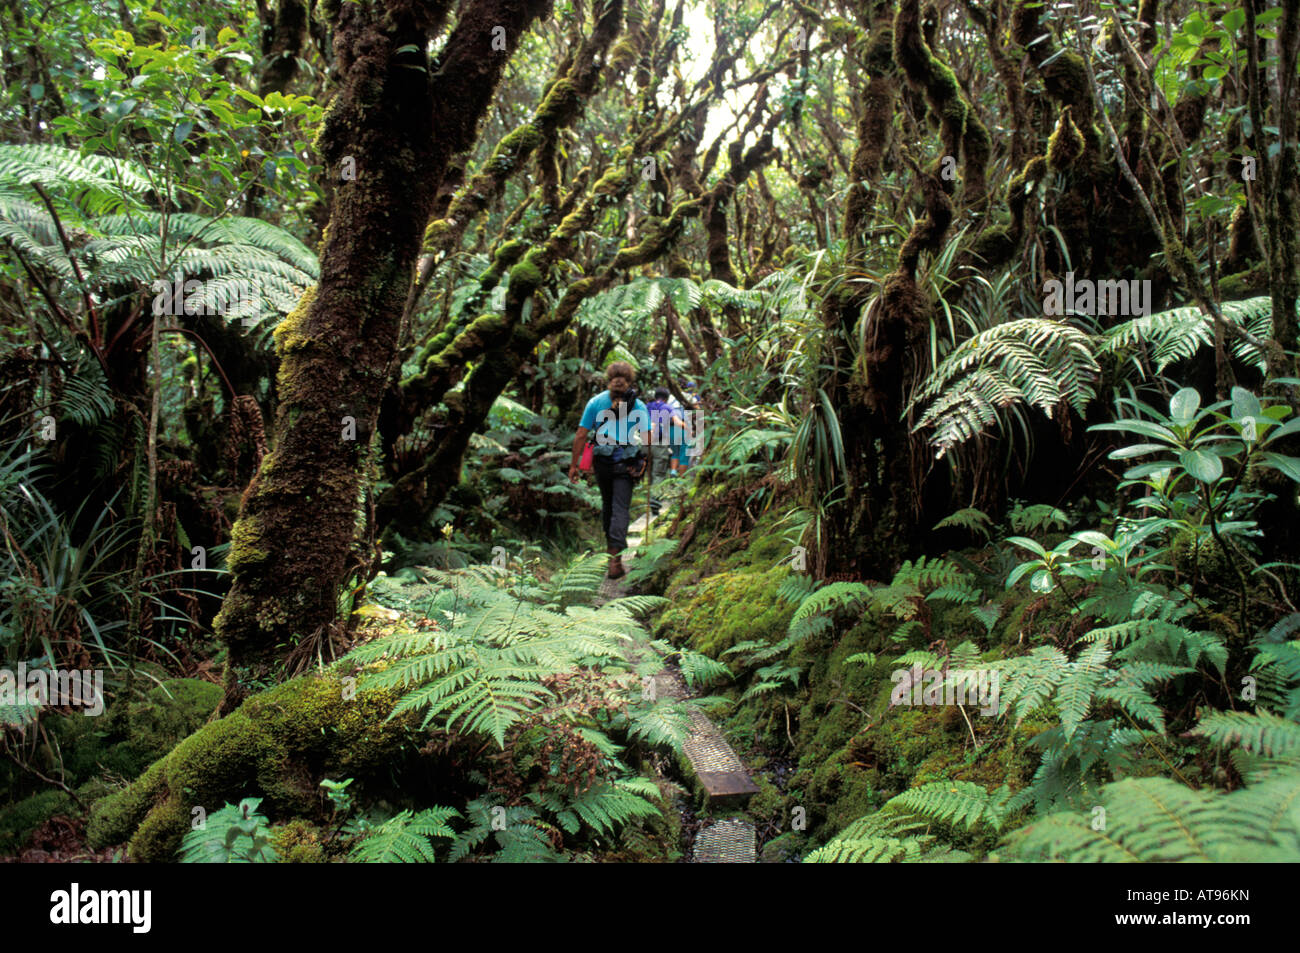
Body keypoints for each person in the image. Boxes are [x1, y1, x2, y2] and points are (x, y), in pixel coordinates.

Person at [568, 362, 649, 579]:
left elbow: (581, 435)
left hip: (602, 463)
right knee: (621, 508)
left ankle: (611, 553)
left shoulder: (595, 402)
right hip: (627, 464)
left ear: (609, 380)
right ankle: (615, 559)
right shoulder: (638, 405)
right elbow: (648, 438)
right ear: (629, 382)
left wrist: (574, 465)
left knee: (608, 506)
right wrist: (645, 462)